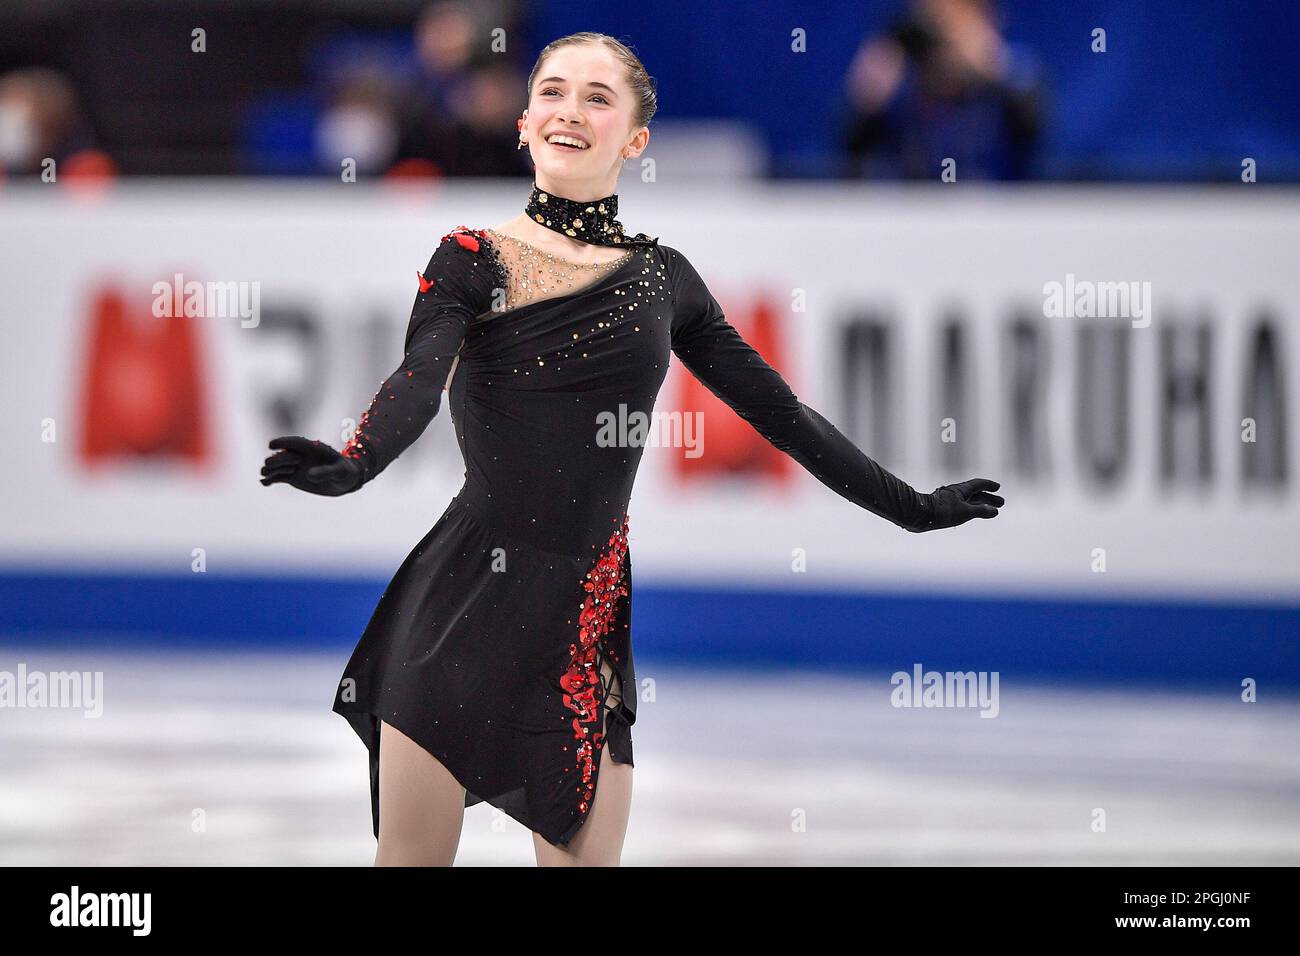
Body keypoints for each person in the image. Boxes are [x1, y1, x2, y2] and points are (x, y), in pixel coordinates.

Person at [260, 31, 1004, 867]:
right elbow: (418, 379)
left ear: (636, 139)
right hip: (458, 610)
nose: (569, 111)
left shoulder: (664, 280)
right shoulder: (471, 260)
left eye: (597, 97)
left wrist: (914, 509)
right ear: (523, 123)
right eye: (552, 92)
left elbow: (784, 416)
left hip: (585, 627)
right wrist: (357, 461)